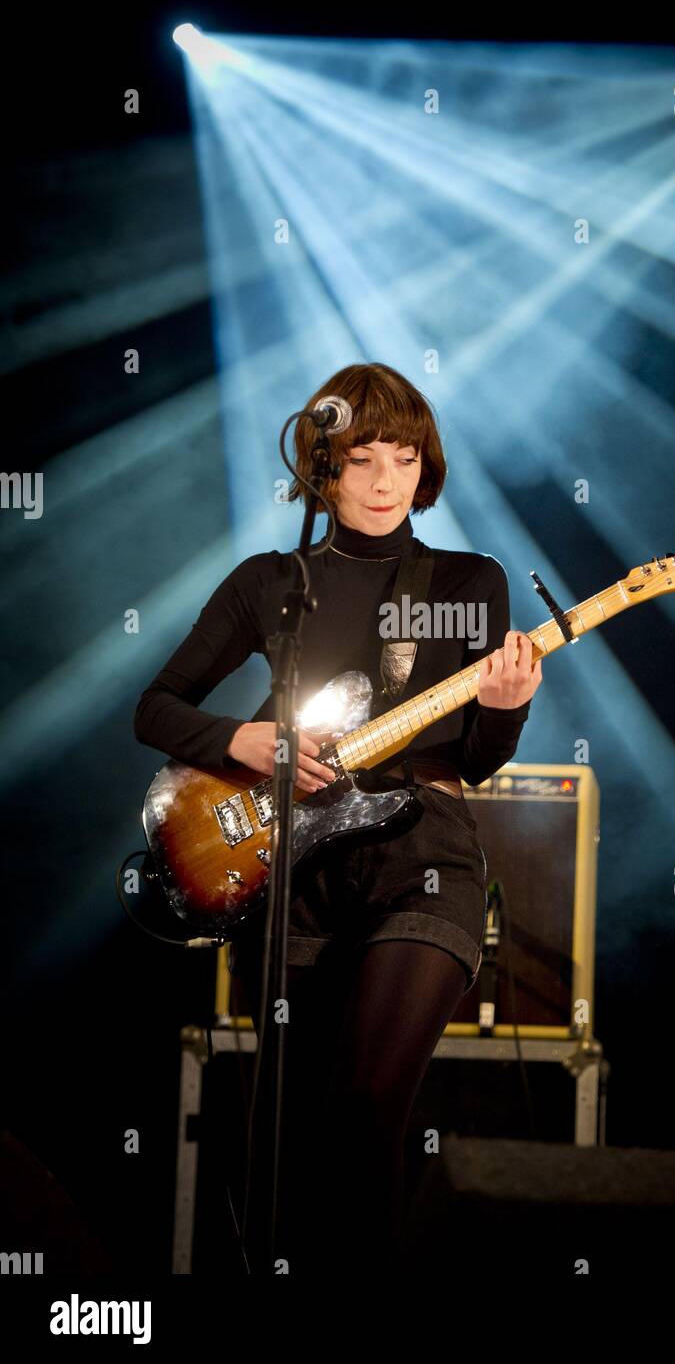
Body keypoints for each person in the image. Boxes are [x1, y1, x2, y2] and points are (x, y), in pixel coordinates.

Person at [133, 361, 542, 1279]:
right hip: (296, 871)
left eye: (405, 457)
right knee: (287, 1137)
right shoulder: (270, 583)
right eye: (364, 458)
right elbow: (155, 708)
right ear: (325, 467)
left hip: (422, 856)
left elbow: (476, 758)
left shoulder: (469, 581)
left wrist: (508, 703)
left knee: (367, 1103)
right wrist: (243, 741)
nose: (387, 479)